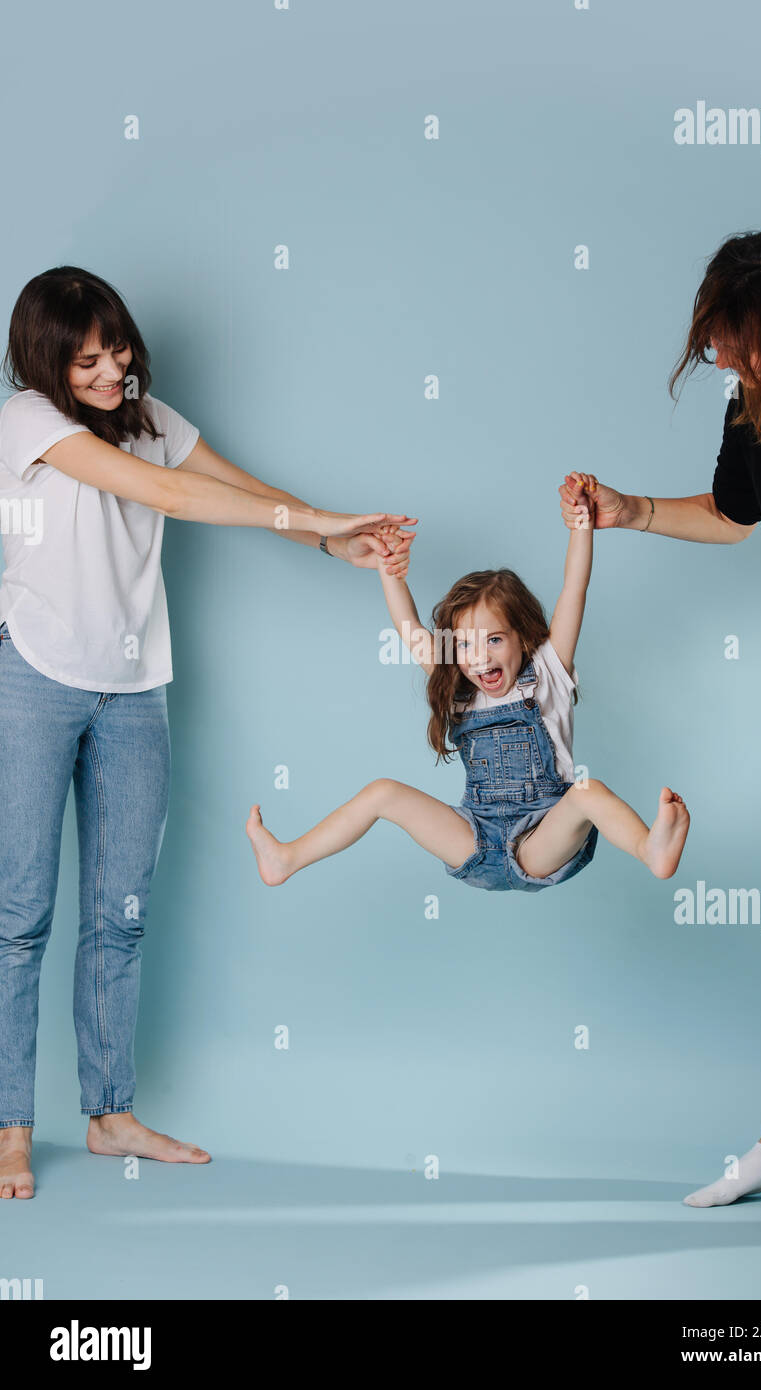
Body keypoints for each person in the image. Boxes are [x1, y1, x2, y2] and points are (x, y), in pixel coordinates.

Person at [0, 265, 416, 1200]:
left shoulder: (150, 418)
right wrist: (320, 520)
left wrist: (330, 539)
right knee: (18, 919)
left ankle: (110, 1116)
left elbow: (238, 487)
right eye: (87, 361)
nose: (111, 371)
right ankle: (9, 1130)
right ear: (47, 363)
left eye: (117, 350)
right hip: (33, 675)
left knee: (119, 915)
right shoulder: (26, 420)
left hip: (134, 688)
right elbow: (178, 500)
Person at [560, 227, 761, 1246]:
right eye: (715, 342)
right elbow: (735, 515)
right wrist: (628, 510)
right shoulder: (753, 405)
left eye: (736, 338)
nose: (722, 356)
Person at [246, 474, 690, 895]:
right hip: (474, 844)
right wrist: (388, 567)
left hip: (539, 843)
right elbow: (408, 626)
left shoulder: (548, 670)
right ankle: (286, 858)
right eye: (464, 645)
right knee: (382, 792)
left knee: (587, 791)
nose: (479, 658)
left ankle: (648, 848)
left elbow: (576, 588)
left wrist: (581, 524)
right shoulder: (457, 686)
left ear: (524, 638)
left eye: (494, 640)